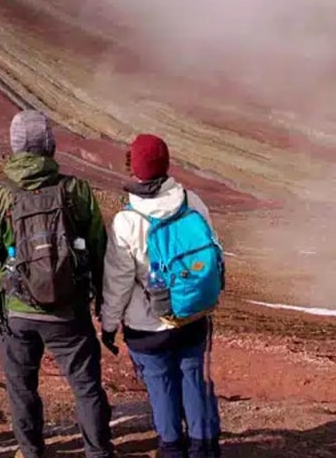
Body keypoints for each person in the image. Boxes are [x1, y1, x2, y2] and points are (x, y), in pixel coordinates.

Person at [0, 110, 114, 458]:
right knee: (85, 386)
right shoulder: (75, 190)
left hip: (17, 311)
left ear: (16, 147)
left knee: (22, 388)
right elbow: (99, 249)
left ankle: (31, 451)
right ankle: (98, 452)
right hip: (69, 311)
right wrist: (101, 302)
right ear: (49, 146)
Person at [100, 134, 222, 458]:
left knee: (160, 385)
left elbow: (118, 282)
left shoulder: (127, 221)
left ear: (134, 170)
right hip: (193, 313)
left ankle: (171, 448)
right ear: (165, 164)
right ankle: (203, 447)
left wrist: (109, 325)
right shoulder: (192, 202)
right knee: (193, 377)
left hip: (147, 326)